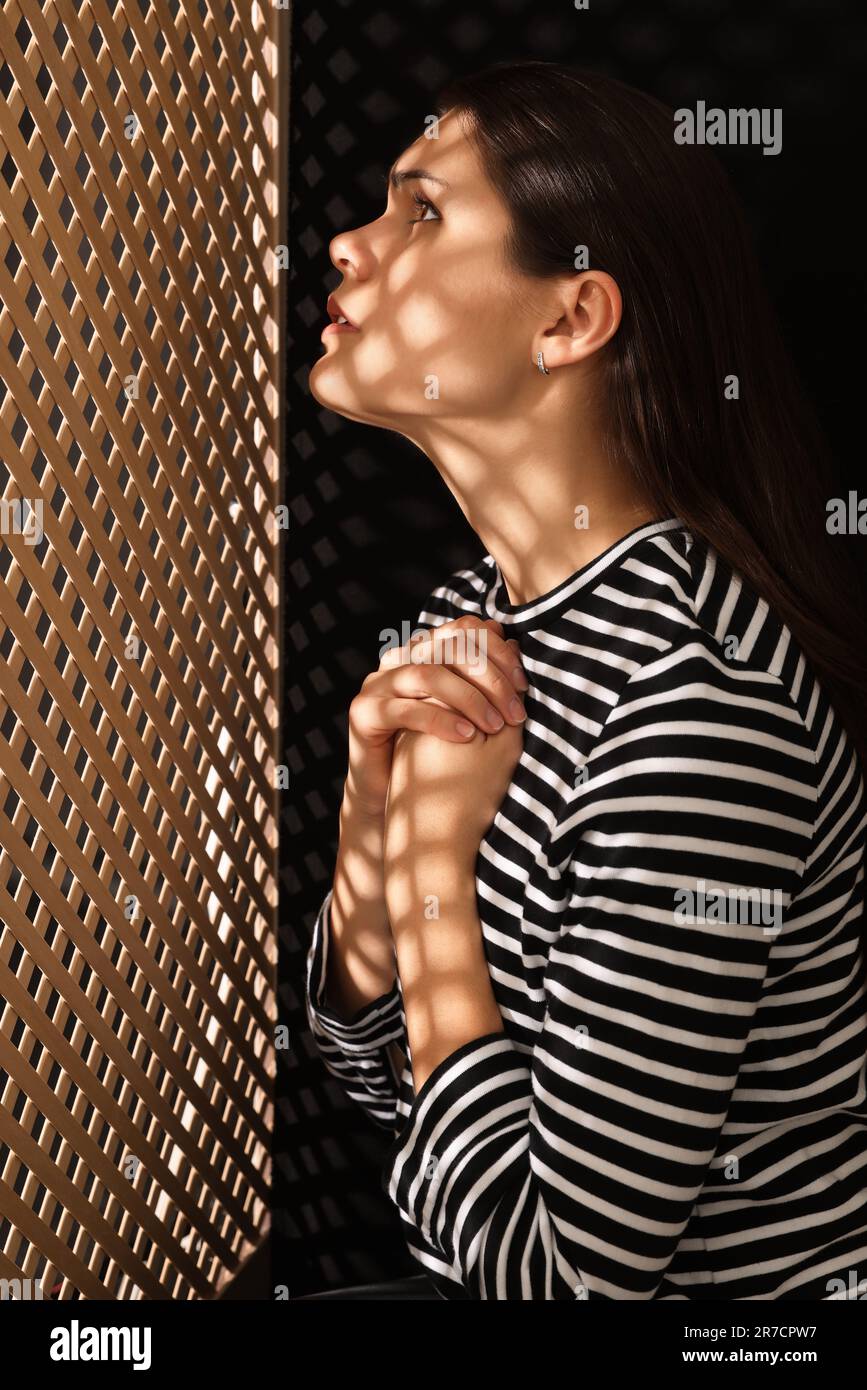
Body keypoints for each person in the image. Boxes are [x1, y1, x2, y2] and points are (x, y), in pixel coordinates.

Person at [303, 58, 867, 1300]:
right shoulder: (467, 622)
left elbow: (567, 1280)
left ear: (569, 318)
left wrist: (435, 869)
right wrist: (372, 804)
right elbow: (366, 1078)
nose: (347, 242)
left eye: (425, 212)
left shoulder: (700, 712)